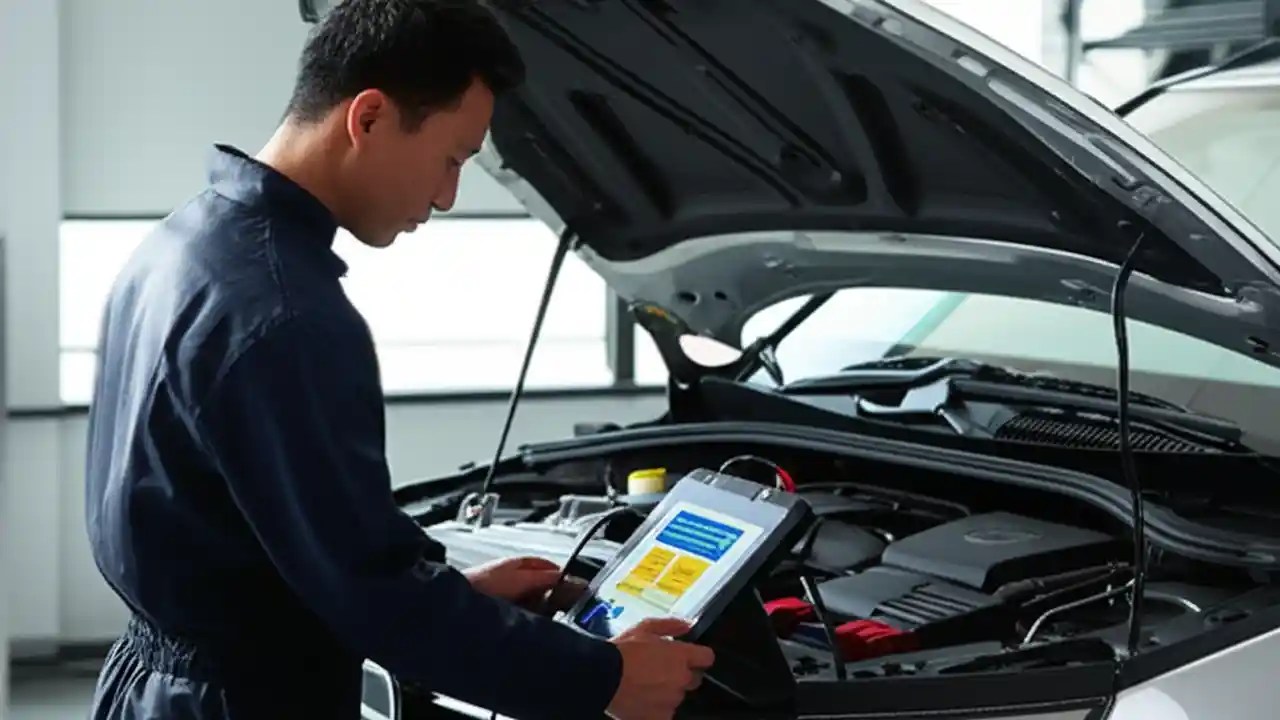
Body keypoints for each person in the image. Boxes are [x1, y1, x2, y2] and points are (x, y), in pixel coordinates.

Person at [83, 0, 714, 718]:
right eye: (452, 159)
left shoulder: (183, 243)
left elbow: (272, 536)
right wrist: (605, 678)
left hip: (162, 686)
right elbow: (375, 596)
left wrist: (451, 596)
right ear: (370, 117)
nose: (446, 197)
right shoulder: (286, 315)